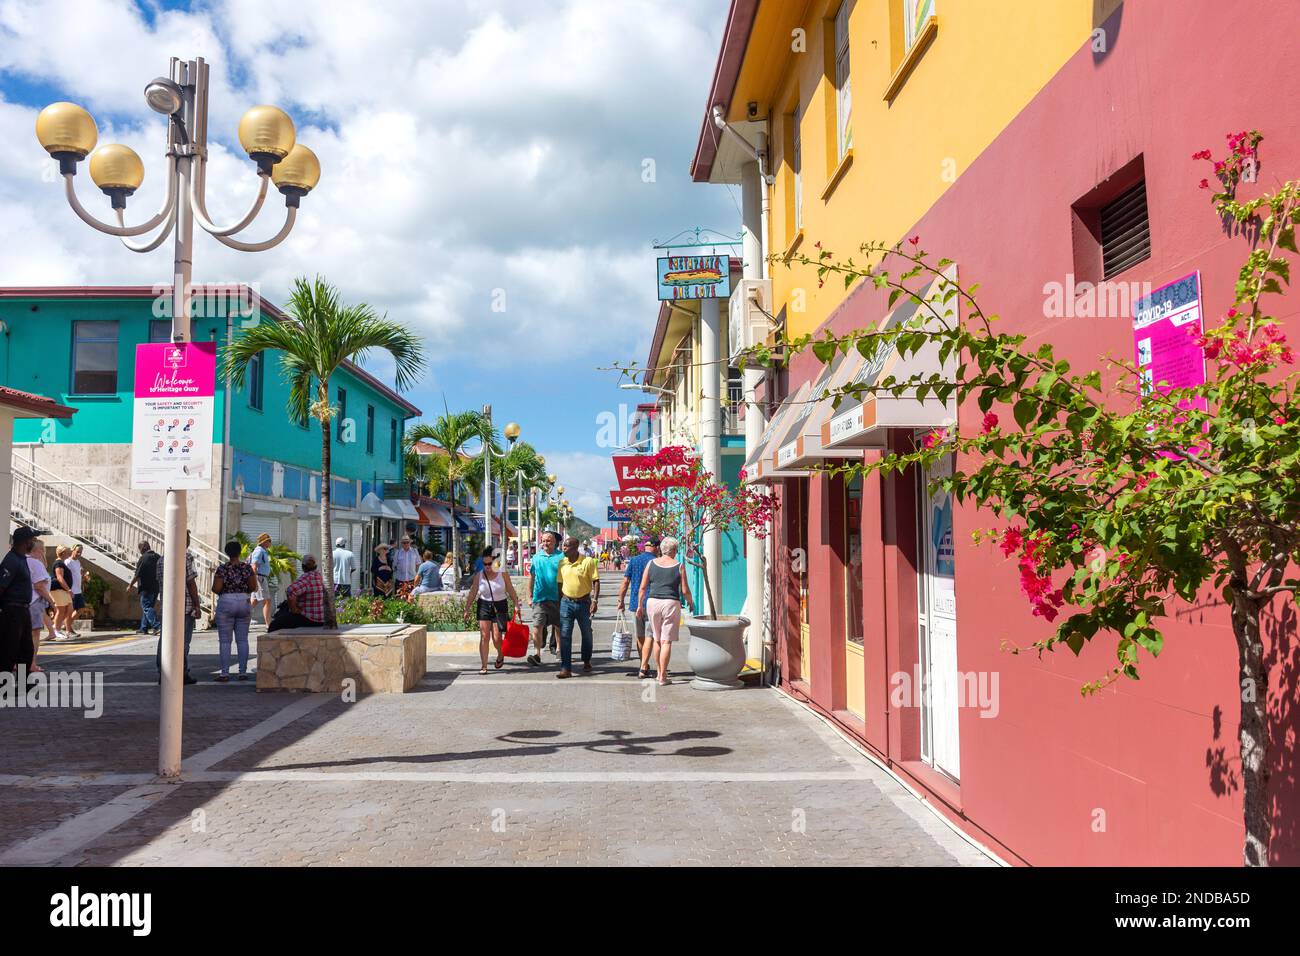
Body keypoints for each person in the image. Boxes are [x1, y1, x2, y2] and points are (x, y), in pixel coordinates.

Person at [636, 535, 693, 686]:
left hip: (653, 602)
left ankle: (658, 674)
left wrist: (639, 606)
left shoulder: (651, 563)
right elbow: (685, 590)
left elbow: (642, 587)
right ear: (673, 550)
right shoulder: (679, 565)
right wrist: (691, 602)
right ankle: (662, 676)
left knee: (656, 638)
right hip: (670, 603)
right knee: (666, 640)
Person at [463, 546, 519, 675]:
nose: (487, 566)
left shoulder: (502, 573)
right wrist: (467, 608)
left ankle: (500, 654)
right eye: (484, 564)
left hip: (500, 605)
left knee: (497, 637)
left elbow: (510, 589)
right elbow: (473, 592)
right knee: (484, 636)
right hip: (484, 604)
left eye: (489, 563)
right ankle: (484, 666)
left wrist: (516, 604)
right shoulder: (479, 575)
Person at [154, 531, 201, 685]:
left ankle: (163, 672)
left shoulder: (161, 560)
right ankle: (182, 672)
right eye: (187, 538)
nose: (188, 541)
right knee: (183, 642)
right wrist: (197, 604)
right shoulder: (185, 557)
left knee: (165, 640)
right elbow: (191, 583)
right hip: (184, 605)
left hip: (167, 607)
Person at [555, 535, 599, 679]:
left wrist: (595, 601)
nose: (563, 548)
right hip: (566, 603)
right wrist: (559, 601)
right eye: (563, 546)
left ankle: (586, 660)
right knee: (565, 635)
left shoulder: (588, 562)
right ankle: (565, 668)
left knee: (586, 633)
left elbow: (596, 581)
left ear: (575, 548)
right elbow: (560, 584)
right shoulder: (562, 563)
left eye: (566, 546)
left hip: (584, 603)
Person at [212, 539, 256, 682]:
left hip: (226, 601)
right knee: (242, 640)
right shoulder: (247, 568)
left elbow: (217, 588)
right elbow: (253, 586)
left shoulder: (223, 569)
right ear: (239, 552)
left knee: (225, 641)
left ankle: (224, 673)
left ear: (227, 553)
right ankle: (242, 672)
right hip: (243, 600)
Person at [0, 527, 39, 675]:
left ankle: (23, 684)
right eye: (32, 540)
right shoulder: (11, 560)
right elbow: (1, 587)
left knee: (25, 649)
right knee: (9, 649)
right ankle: (4, 686)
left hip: (22, 610)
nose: (33, 543)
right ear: (25, 542)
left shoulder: (21, 559)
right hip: (12, 610)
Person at [619, 537, 659, 675]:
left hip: (636, 604)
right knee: (650, 636)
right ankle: (644, 666)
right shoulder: (656, 562)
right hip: (653, 603)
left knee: (640, 636)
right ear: (656, 548)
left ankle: (644, 664)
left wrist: (620, 600)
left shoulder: (634, 561)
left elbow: (625, 582)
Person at [525, 531, 563, 666]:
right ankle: (537, 654)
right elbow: (531, 577)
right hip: (539, 598)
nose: (546, 543)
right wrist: (529, 596)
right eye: (544, 540)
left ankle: (559, 650)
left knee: (558, 626)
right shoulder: (536, 557)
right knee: (537, 626)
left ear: (554, 542)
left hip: (558, 597)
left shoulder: (562, 557)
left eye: (549, 541)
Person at [270, 555, 328, 630]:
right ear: (316, 566)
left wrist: (294, 609)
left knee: (274, 624)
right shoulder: (319, 576)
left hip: (308, 618)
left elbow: (290, 590)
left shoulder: (307, 577)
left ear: (303, 567)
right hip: (321, 618)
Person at [127, 539, 161, 635]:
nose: (140, 551)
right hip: (156, 587)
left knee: (146, 607)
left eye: (140, 548)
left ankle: (157, 626)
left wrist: (130, 585)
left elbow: (138, 574)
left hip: (146, 588)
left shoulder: (144, 558)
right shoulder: (158, 557)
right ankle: (143, 628)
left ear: (143, 548)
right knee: (148, 607)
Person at [48, 544, 75, 641]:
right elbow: (59, 577)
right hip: (58, 589)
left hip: (63, 590)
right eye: (68, 552)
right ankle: (56, 630)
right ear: (63, 553)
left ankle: (57, 627)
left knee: (70, 608)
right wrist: (69, 590)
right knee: (61, 610)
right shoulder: (58, 563)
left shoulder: (62, 563)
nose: (70, 553)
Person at [250, 532, 276, 627]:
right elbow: (254, 566)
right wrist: (256, 582)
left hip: (261, 578)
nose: (270, 543)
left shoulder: (263, 551)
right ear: (264, 542)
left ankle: (243, 621)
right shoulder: (259, 551)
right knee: (267, 600)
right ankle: (268, 624)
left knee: (254, 601)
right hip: (259, 578)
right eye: (269, 541)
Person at [67, 544, 85, 635]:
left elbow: (77, 575)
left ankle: (67, 625)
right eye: (77, 551)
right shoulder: (67, 562)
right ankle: (68, 629)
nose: (79, 554)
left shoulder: (77, 562)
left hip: (78, 590)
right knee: (70, 611)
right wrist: (67, 589)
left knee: (81, 609)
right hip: (71, 591)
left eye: (80, 552)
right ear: (72, 550)